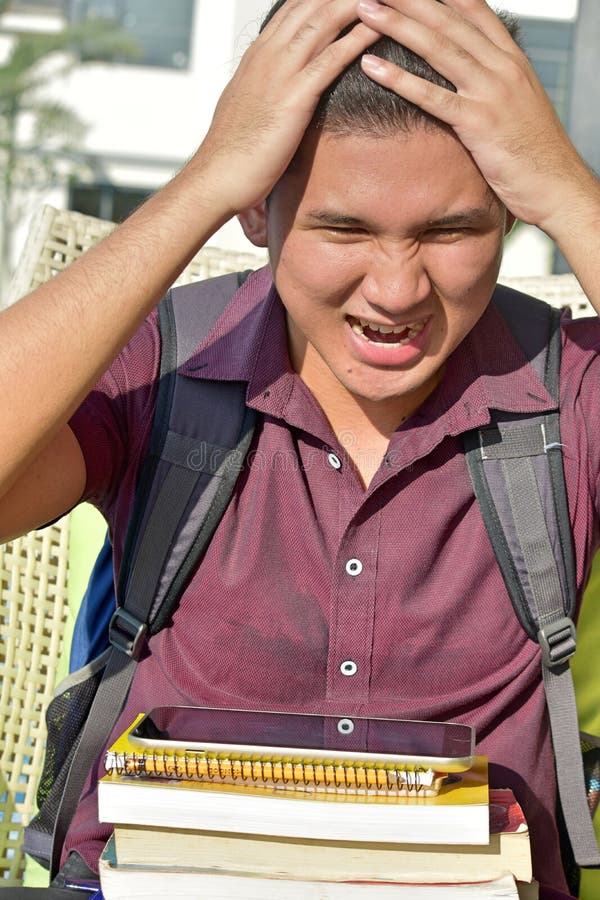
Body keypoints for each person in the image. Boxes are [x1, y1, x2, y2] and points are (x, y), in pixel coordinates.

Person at [1, 0, 599, 897]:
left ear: (510, 219)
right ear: (260, 213)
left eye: (450, 232)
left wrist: (566, 189)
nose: (397, 292)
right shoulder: (162, 364)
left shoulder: (567, 390)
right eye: (343, 230)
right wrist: (205, 183)